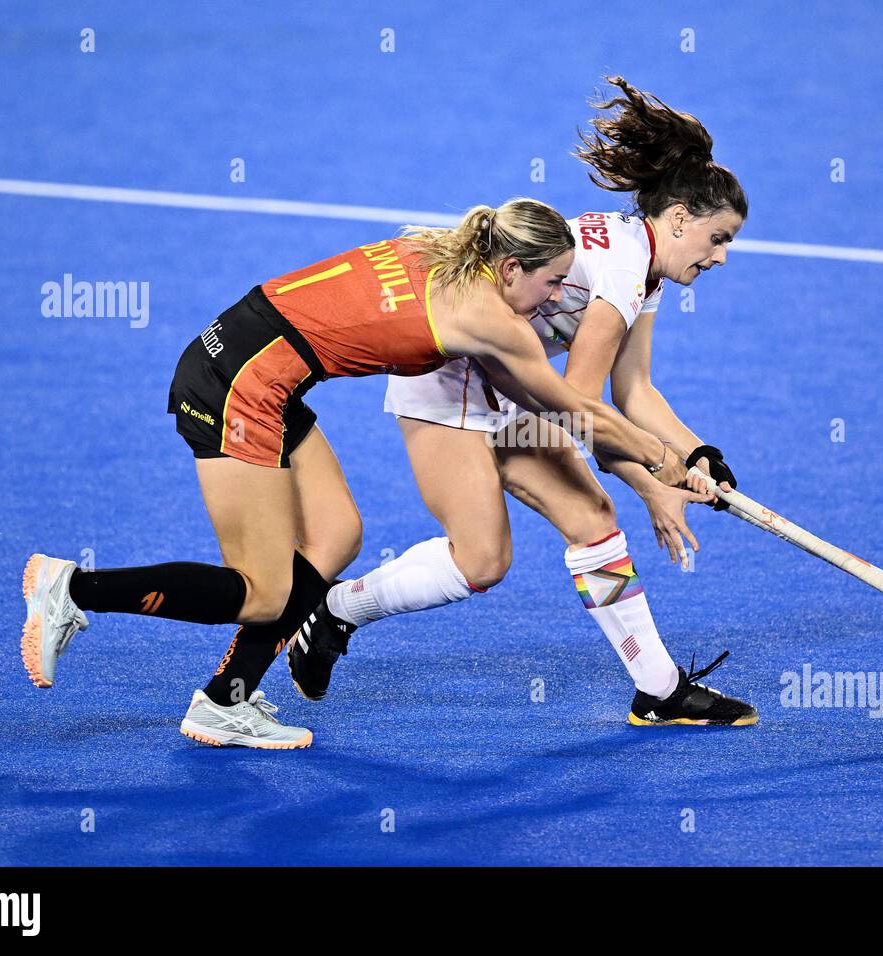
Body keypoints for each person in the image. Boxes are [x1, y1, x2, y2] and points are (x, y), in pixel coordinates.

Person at [21, 197, 686, 749]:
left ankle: (225, 702)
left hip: (250, 360)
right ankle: (75, 589)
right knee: (262, 592)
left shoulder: (442, 249)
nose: (554, 300)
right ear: (511, 268)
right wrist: (665, 461)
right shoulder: (493, 319)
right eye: (550, 284)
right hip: (238, 385)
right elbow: (576, 410)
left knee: (337, 536)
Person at [289, 79, 756, 726]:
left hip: (518, 385)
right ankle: (336, 610)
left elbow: (634, 391)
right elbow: (579, 412)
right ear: (679, 218)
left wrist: (698, 453)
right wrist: (655, 482)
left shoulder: (643, 268)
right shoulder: (623, 272)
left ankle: (660, 689)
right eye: (719, 238)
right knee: (482, 559)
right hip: (450, 376)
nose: (724, 257)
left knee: (592, 518)